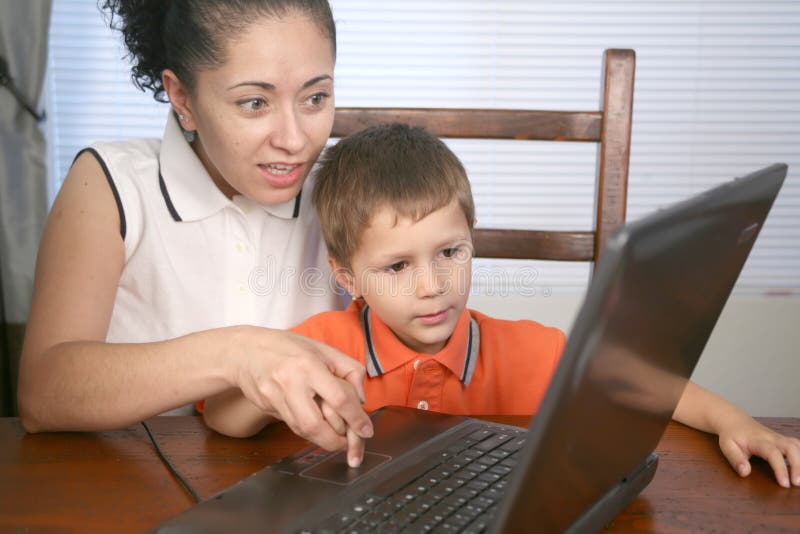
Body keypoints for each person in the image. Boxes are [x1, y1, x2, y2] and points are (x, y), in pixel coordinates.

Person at [202, 122, 800, 486]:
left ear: (473, 240)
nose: (432, 285)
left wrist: (735, 421)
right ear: (347, 276)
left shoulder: (526, 349)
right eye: (397, 266)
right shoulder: (320, 346)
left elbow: (640, 381)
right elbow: (222, 419)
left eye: (450, 252)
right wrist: (272, 384)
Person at [17, 0, 374, 463]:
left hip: (300, 487)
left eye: (314, 98)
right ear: (182, 98)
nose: (294, 139)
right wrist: (237, 352)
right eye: (254, 103)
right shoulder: (110, 182)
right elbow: (43, 391)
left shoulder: (344, 190)